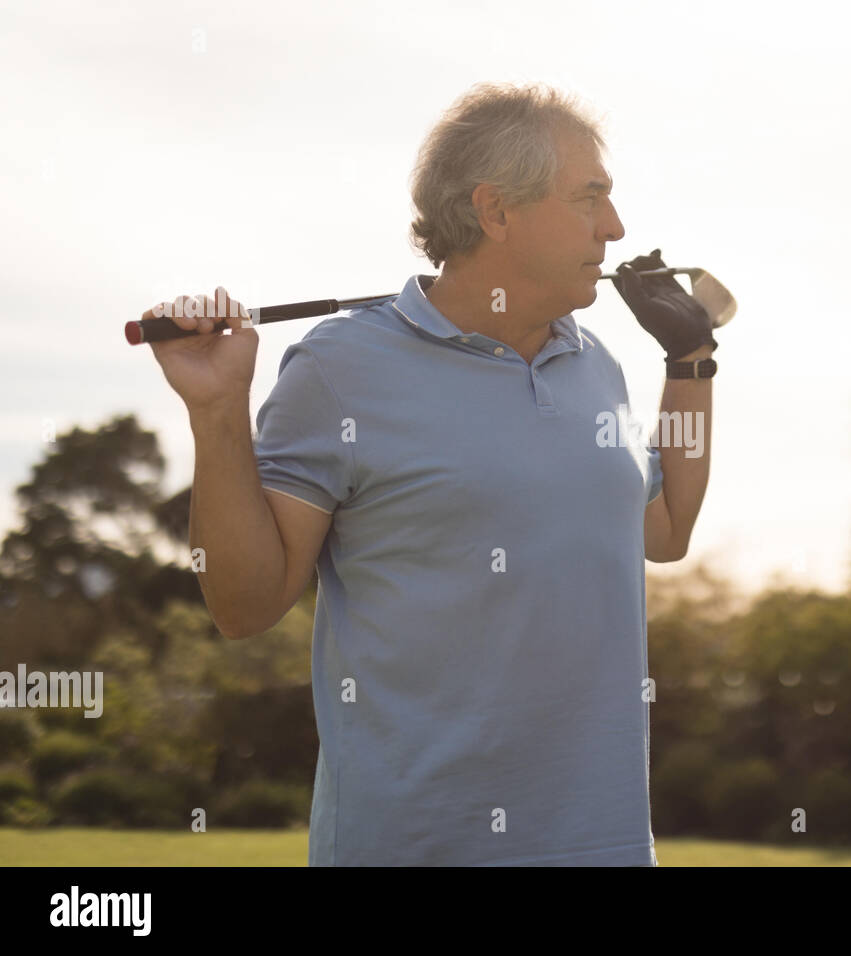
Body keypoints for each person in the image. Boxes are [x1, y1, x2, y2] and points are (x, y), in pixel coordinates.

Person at [142, 82, 720, 865]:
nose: (614, 228)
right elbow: (244, 605)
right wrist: (217, 412)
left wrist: (690, 362)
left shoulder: (598, 368)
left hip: (605, 847)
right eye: (590, 199)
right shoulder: (340, 369)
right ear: (496, 211)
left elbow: (666, 531)